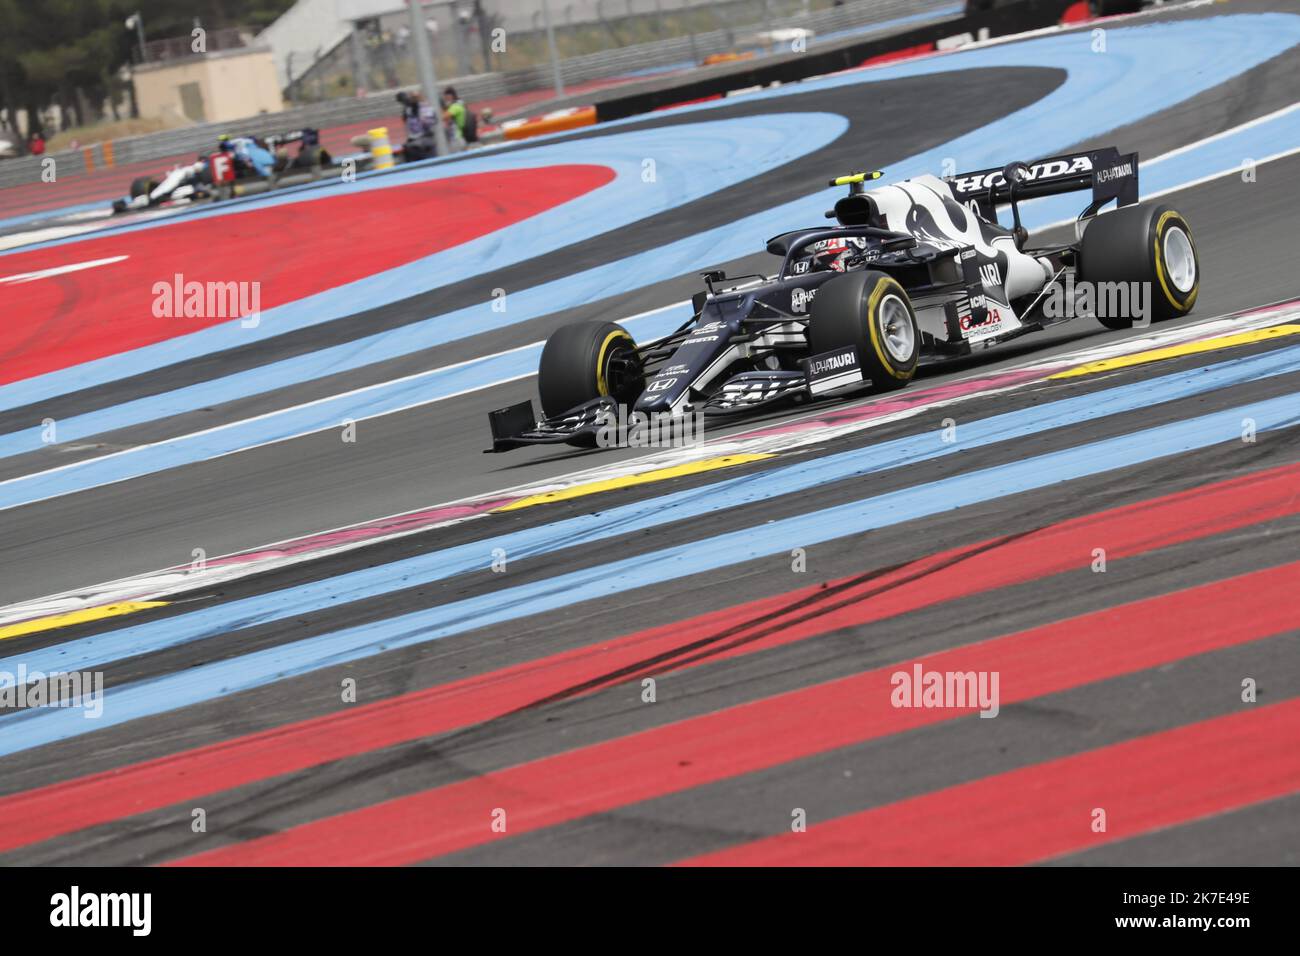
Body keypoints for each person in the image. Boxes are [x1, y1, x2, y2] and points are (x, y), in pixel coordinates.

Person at [396, 89, 437, 161]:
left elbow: (432, 121)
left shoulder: (425, 108)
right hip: (416, 144)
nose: (414, 99)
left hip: (425, 143)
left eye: (415, 97)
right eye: (413, 97)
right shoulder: (408, 109)